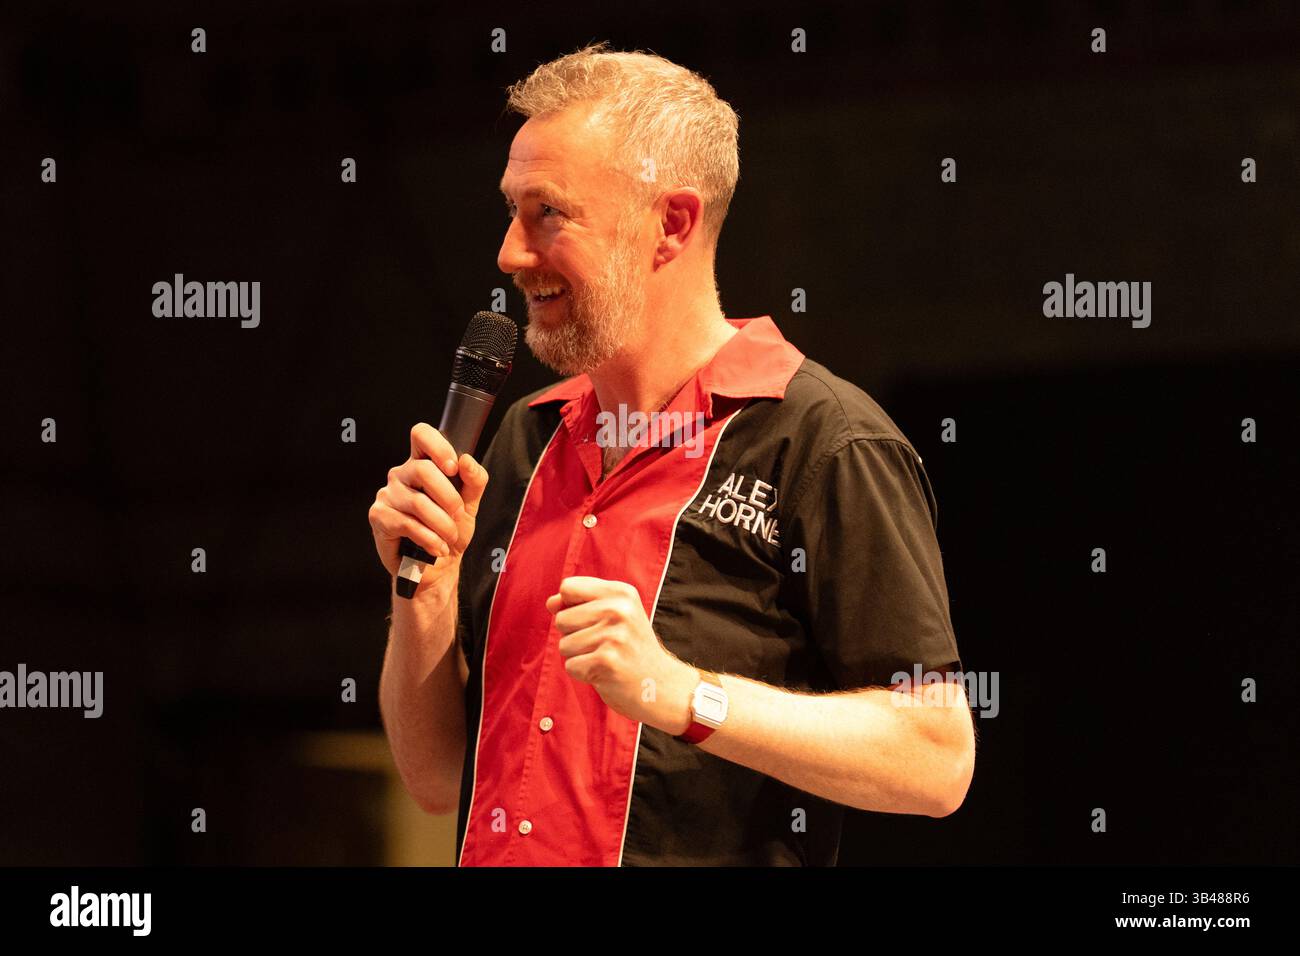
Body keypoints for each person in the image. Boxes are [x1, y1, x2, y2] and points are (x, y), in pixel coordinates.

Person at [368, 42, 975, 866]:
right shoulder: (521, 442)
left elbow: (938, 758)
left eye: (549, 213)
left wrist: (683, 694)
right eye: (510, 211)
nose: (510, 253)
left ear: (673, 224)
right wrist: (427, 596)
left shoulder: (822, 442)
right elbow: (438, 778)